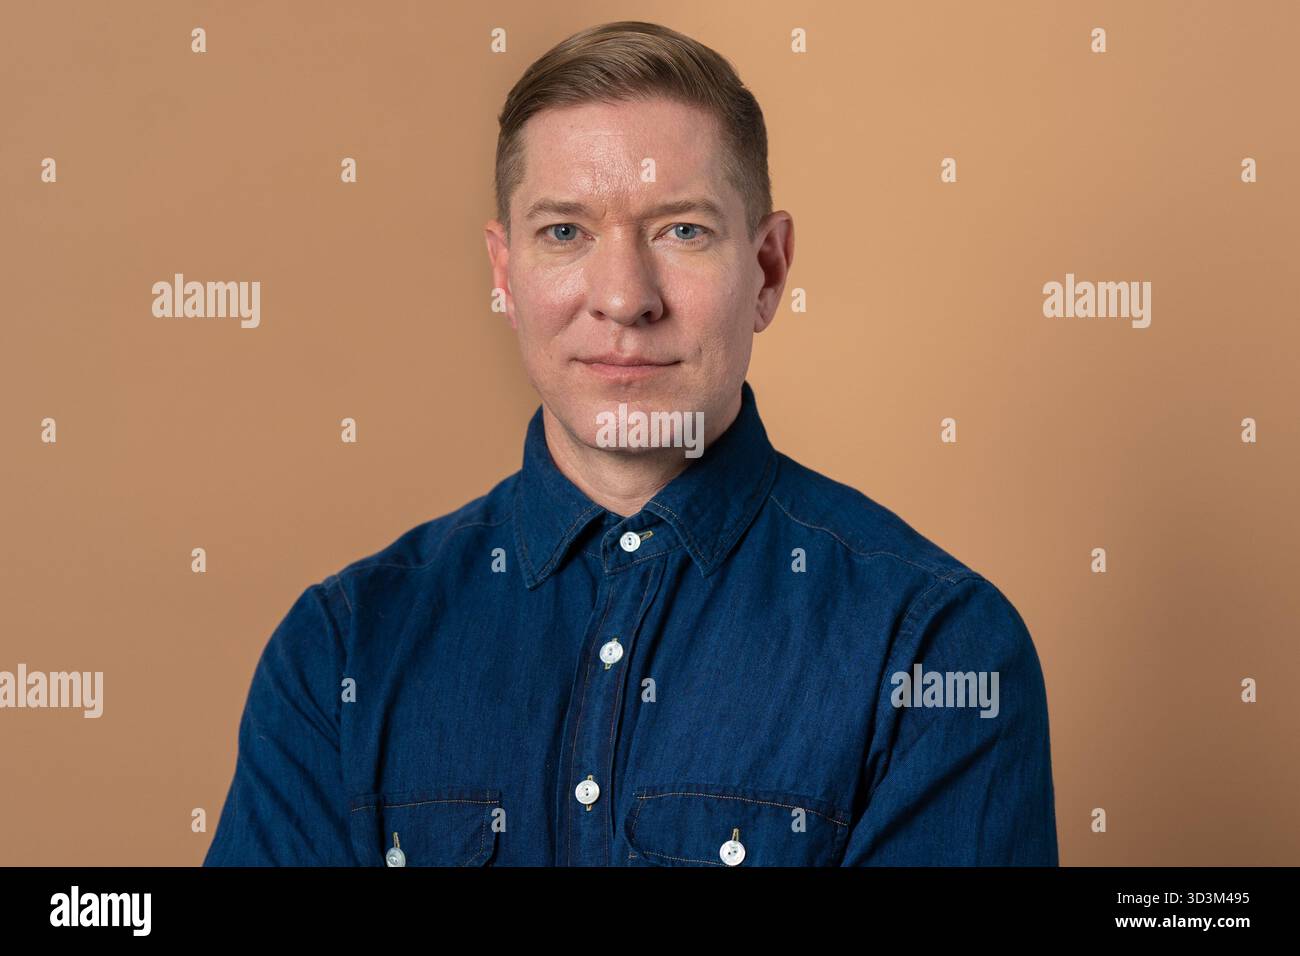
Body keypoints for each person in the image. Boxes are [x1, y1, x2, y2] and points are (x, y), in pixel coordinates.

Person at [204, 20, 1058, 867]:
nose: (624, 298)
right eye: (565, 233)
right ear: (505, 276)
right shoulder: (339, 652)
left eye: (681, 230)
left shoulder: (938, 651)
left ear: (767, 270)